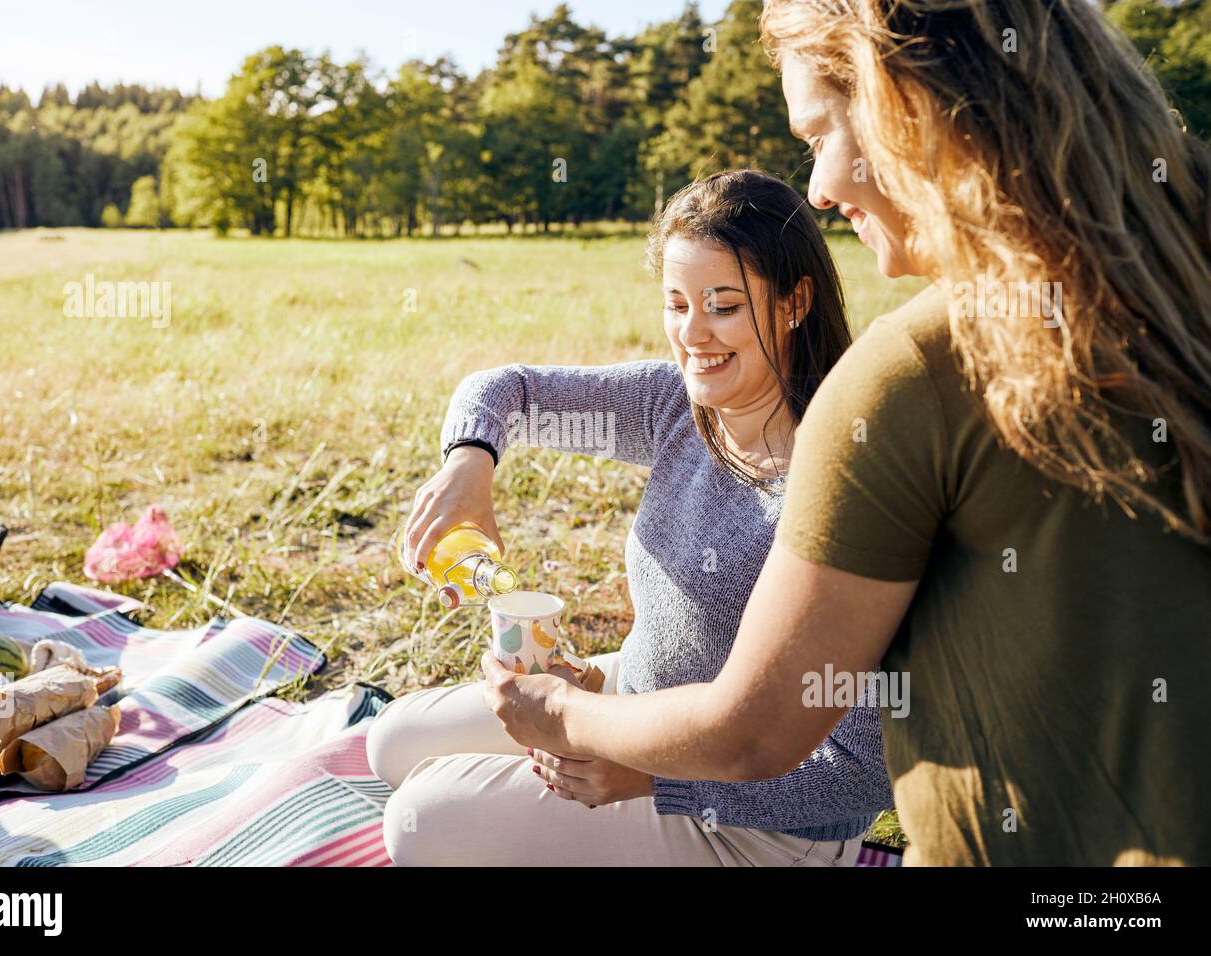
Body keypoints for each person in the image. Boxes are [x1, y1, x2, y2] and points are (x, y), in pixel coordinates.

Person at [482, 0, 1211, 866]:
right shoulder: (1171, 289)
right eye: (680, 304)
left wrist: (564, 718)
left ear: (908, 111)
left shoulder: (912, 376)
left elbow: (759, 734)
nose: (818, 188)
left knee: (427, 820)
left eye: (822, 134)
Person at [369, 170, 894, 866]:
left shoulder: (845, 476)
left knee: (420, 820)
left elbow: (866, 769)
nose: (693, 333)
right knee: (391, 741)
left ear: (795, 301)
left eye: (724, 306)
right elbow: (508, 391)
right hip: (637, 703)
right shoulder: (676, 407)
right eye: (677, 303)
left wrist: (656, 779)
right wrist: (470, 462)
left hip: (754, 821)